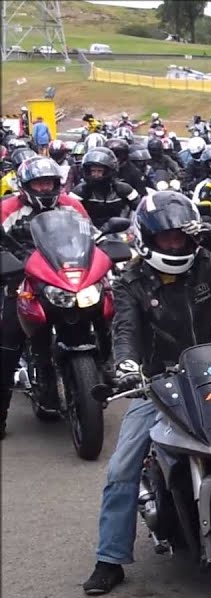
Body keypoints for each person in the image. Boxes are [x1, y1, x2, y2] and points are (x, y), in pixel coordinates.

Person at [82, 192, 211, 595]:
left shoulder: (206, 264)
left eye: (182, 237)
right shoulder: (131, 280)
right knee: (121, 469)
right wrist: (127, 367)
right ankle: (110, 557)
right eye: (166, 238)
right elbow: (126, 333)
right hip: (156, 385)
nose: (176, 245)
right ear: (149, 238)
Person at [1, 159, 91, 436]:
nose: (44, 188)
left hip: (63, 279)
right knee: (8, 341)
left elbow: (91, 238)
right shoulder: (8, 209)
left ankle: (104, 370)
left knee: (97, 310)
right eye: (39, 183)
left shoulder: (72, 205)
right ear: (26, 186)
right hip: (21, 279)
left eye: (49, 183)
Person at [68, 147, 141, 230]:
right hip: (89, 234)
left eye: (99, 171)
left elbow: (140, 209)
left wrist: (131, 228)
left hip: (119, 234)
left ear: (109, 171)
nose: (96, 175)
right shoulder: (79, 191)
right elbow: (68, 216)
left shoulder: (124, 189)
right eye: (93, 171)